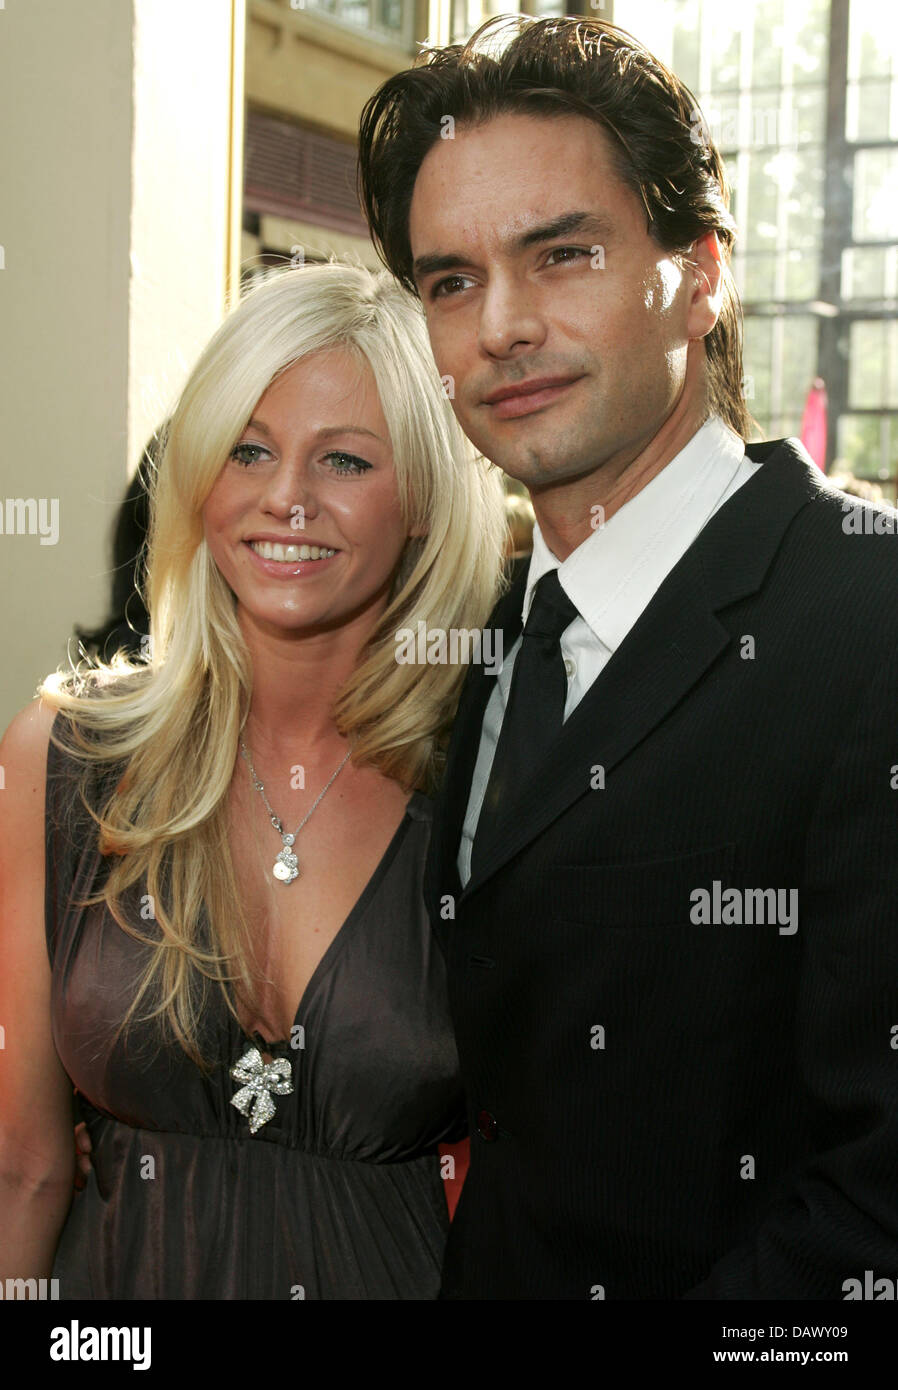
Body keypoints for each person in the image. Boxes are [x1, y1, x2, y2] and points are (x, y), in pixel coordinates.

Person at [357, 15, 898, 1299]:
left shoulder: (867, 615)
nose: (500, 326)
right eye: (450, 281)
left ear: (700, 275)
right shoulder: (486, 631)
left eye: (563, 255)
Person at [0, 261, 507, 1299]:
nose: (286, 498)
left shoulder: (493, 783)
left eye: (345, 460)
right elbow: (23, 1167)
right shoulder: (65, 758)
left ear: (423, 499)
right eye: (249, 449)